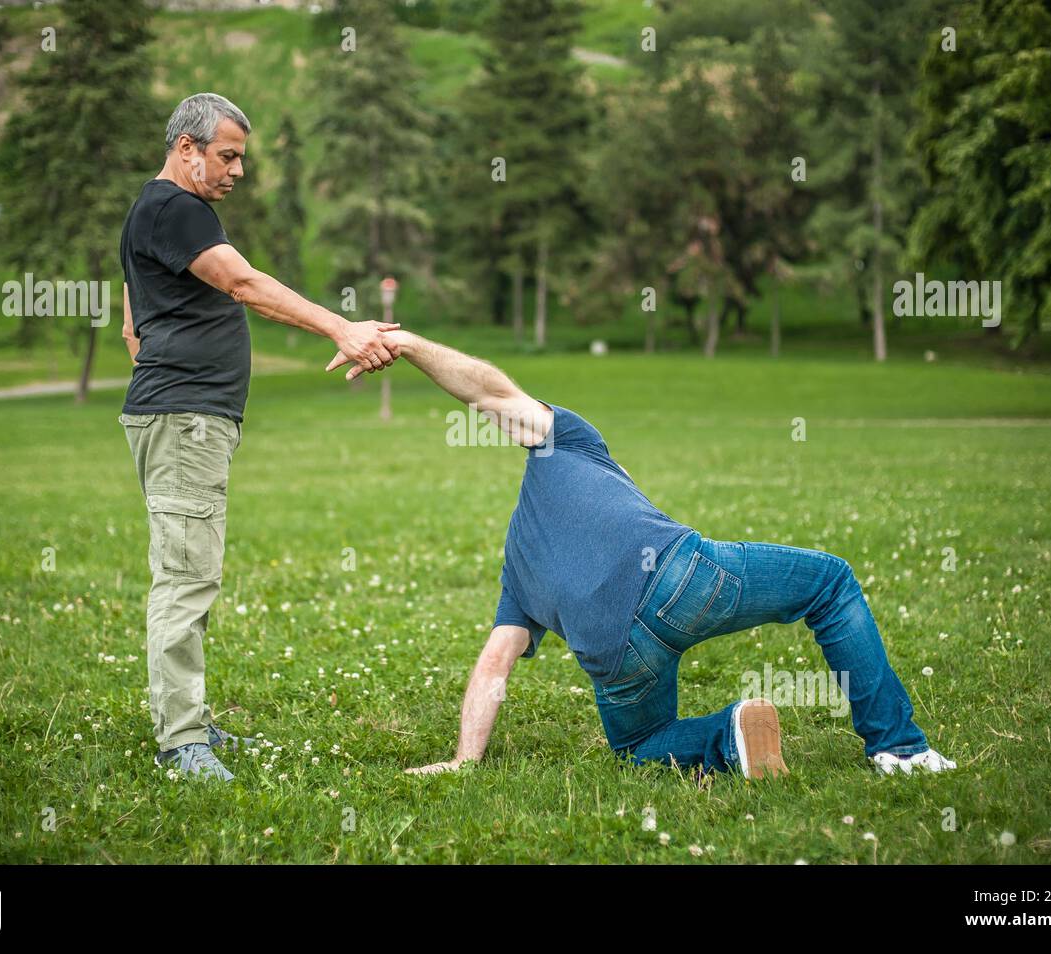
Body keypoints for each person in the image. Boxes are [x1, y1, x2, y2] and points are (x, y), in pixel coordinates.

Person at [328, 331, 957, 780]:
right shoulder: (572, 440)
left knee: (639, 746)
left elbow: (497, 660)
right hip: (680, 580)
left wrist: (466, 759)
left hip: (617, 655)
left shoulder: (516, 568)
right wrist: (406, 342)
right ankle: (899, 749)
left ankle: (728, 735)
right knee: (830, 583)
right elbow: (489, 392)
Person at [118, 92, 402, 781]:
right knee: (186, 580)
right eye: (228, 155)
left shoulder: (160, 214)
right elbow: (243, 283)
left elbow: (132, 327)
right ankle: (181, 742)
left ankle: (191, 723)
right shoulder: (175, 209)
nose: (238, 170)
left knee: (193, 573)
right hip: (183, 420)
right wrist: (341, 327)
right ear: (187, 148)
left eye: (241, 157)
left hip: (185, 416)